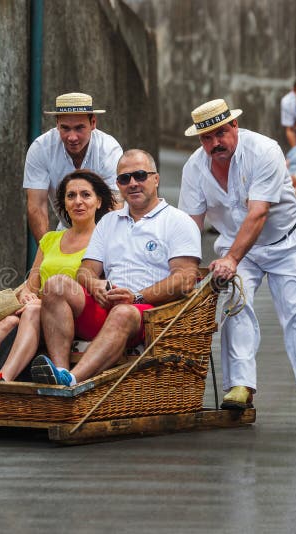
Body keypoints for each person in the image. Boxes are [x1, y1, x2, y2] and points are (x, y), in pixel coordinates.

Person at [178, 98, 296, 425]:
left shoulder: (264, 150)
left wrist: (230, 259)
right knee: (234, 301)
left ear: (235, 127)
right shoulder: (194, 168)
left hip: (285, 243)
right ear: (200, 140)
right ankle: (240, 387)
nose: (216, 143)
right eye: (207, 138)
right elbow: (190, 226)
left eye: (221, 133)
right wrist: (183, 270)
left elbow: (258, 213)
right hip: (234, 245)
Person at [29, 149, 202, 386]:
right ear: (118, 185)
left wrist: (137, 296)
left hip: (151, 315)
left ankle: (72, 380)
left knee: (123, 312)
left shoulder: (178, 221)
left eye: (140, 175)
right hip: (107, 306)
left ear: (156, 179)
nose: (132, 183)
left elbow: (185, 278)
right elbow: (85, 271)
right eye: (124, 178)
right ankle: (58, 371)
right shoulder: (109, 221)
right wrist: (96, 284)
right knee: (55, 284)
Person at [0, 170, 116, 381]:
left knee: (33, 311)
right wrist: (26, 295)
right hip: (37, 311)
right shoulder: (50, 240)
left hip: (73, 316)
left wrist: (35, 303)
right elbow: (31, 285)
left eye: (85, 195)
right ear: (64, 204)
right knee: (8, 322)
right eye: (71, 196)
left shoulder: (103, 241)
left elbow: (98, 286)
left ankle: (4, 377)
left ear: (99, 202)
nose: (78, 201)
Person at [23, 92, 123, 242]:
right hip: (65, 230)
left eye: (79, 128)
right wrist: (47, 249)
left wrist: (98, 250)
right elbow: (37, 206)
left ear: (93, 123)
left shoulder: (109, 149)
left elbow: (115, 206)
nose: (72, 137)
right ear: (57, 123)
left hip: (105, 233)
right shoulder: (41, 148)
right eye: (65, 128)